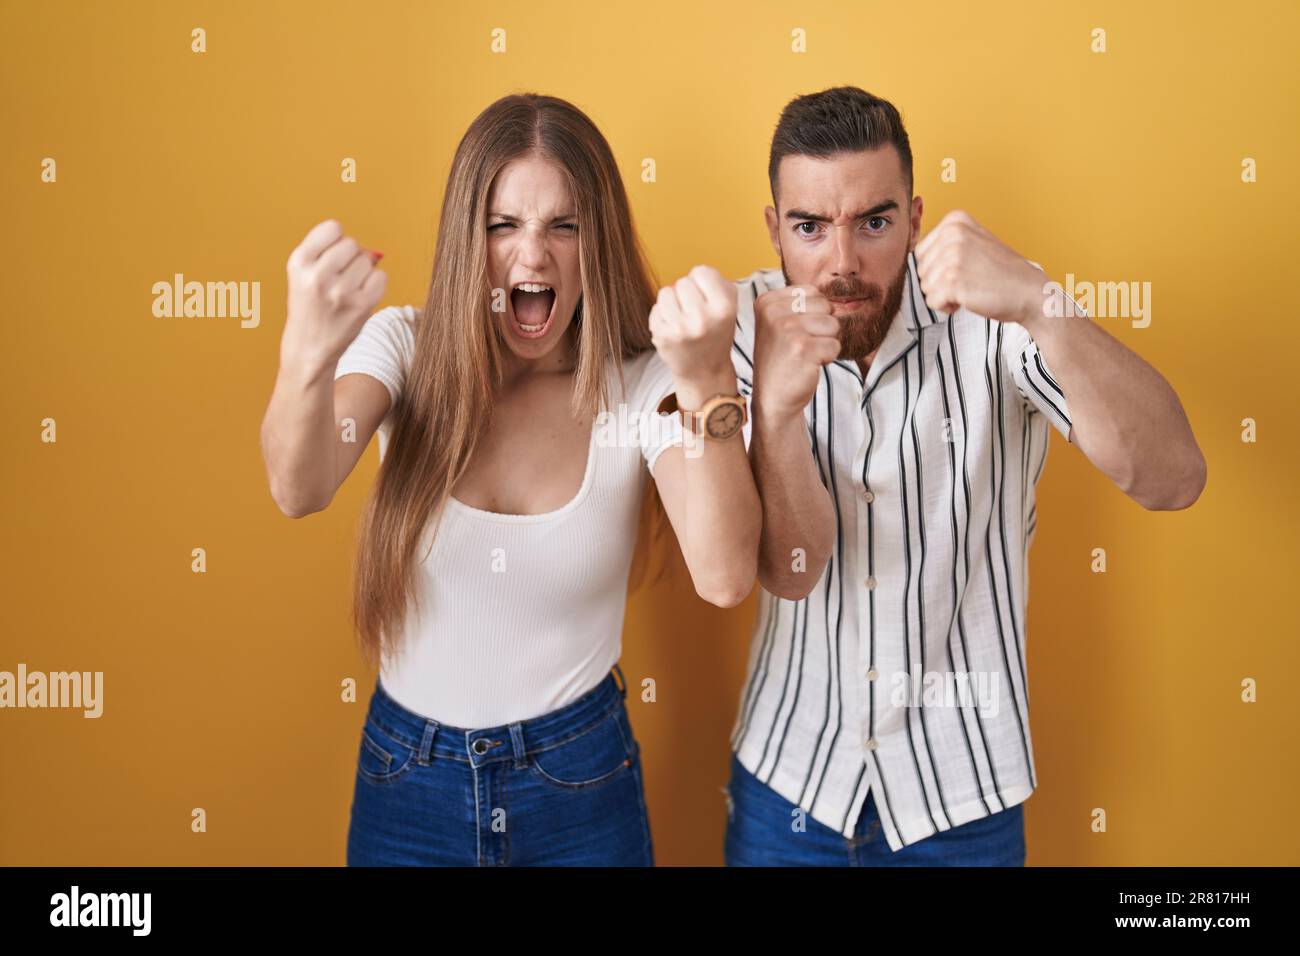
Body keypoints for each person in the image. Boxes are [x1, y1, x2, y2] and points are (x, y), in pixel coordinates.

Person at [259, 93, 760, 866]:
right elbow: (301, 486)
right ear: (469, 237)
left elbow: (726, 576)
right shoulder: (405, 348)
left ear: (599, 242)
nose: (533, 257)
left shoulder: (638, 383)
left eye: (565, 225)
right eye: (504, 225)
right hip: (408, 782)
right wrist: (305, 356)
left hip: (579, 781)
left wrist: (708, 383)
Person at [721, 86, 1206, 866]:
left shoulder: (997, 318)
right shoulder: (740, 328)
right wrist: (771, 414)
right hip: (791, 785)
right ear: (775, 229)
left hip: (962, 795)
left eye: (873, 222)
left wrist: (1043, 306)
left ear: (914, 219)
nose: (842, 264)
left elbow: (1173, 478)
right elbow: (779, 568)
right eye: (810, 228)